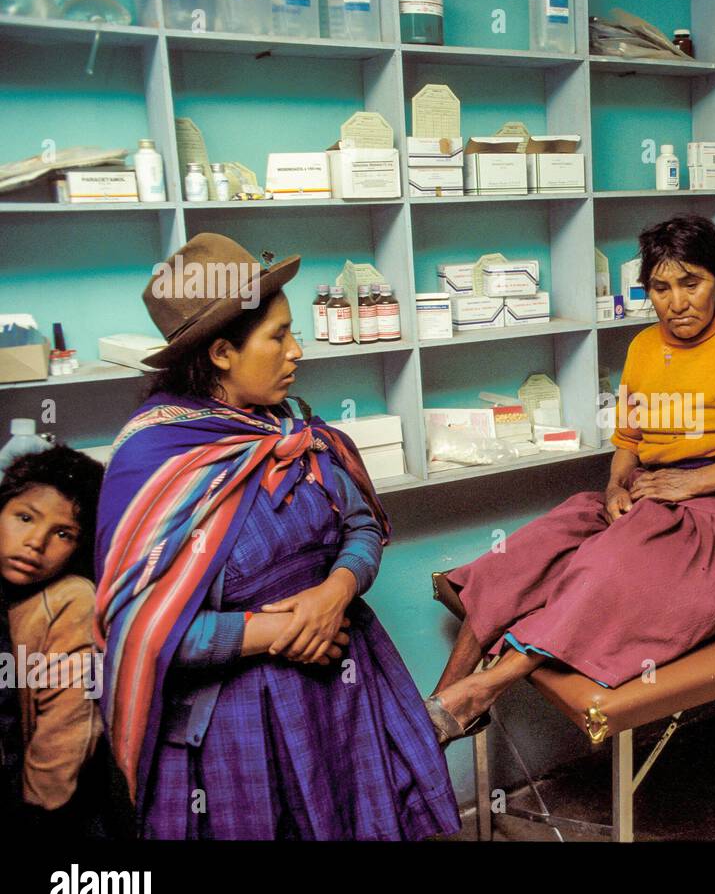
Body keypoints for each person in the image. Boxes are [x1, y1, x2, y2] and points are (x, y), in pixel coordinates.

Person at [95, 232, 460, 839]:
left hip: (347, 693)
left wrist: (335, 593)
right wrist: (281, 630)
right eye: (278, 336)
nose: (297, 351)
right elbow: (140, 630)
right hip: (240, 727)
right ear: (220, 353)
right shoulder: (157, 462)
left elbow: (363, 525)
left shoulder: (293, 432)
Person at [424, 214, 715, 743]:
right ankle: (441, 703)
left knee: (603, 566)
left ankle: (485, 689)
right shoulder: (645, 347)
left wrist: (690, 485)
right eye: (661, 287)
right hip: (648, 498)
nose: (677, 302)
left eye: (691, 283)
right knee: (524, 554)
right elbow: (627, 445)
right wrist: (614, 489)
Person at [0, 446, 119, 837]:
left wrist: (35, 817)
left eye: (63, 533)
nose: (36, 542)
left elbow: (69, 728)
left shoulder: (71, 599)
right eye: (24, 518)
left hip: (42, 816)